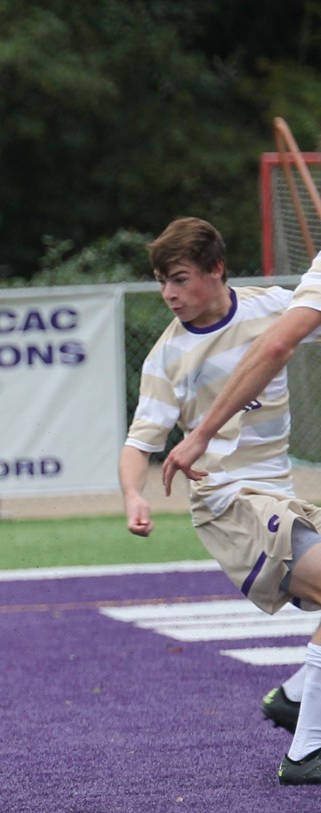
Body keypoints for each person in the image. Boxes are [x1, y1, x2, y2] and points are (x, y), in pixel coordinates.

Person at [125, 218, 321, 783]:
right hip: (230, 504)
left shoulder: (273, 305)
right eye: (163, 281)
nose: (168, 293)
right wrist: (133, 493)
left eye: (179, 279)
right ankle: (307, 752)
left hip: (282, 499)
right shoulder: (166, 357)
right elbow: (139, 443)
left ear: (217, 271)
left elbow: (298, 330)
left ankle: (294, 697)